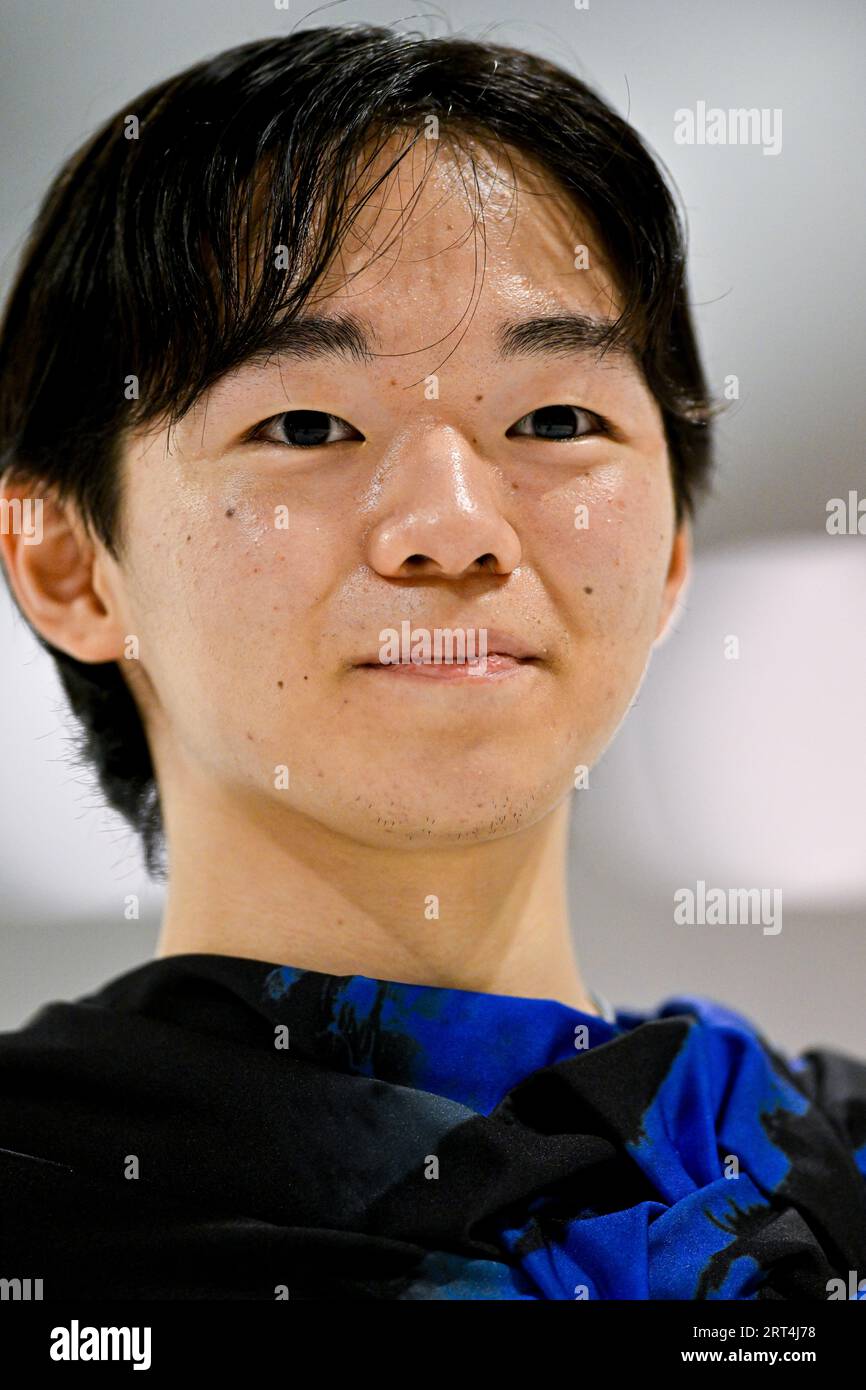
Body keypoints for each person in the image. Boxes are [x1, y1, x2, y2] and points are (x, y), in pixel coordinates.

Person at [0, 25, 863, 1302]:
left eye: (555, 419)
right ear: (69, 562)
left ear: (672, 547)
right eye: (304, 424)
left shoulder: (824, 1170)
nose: (454, 525)